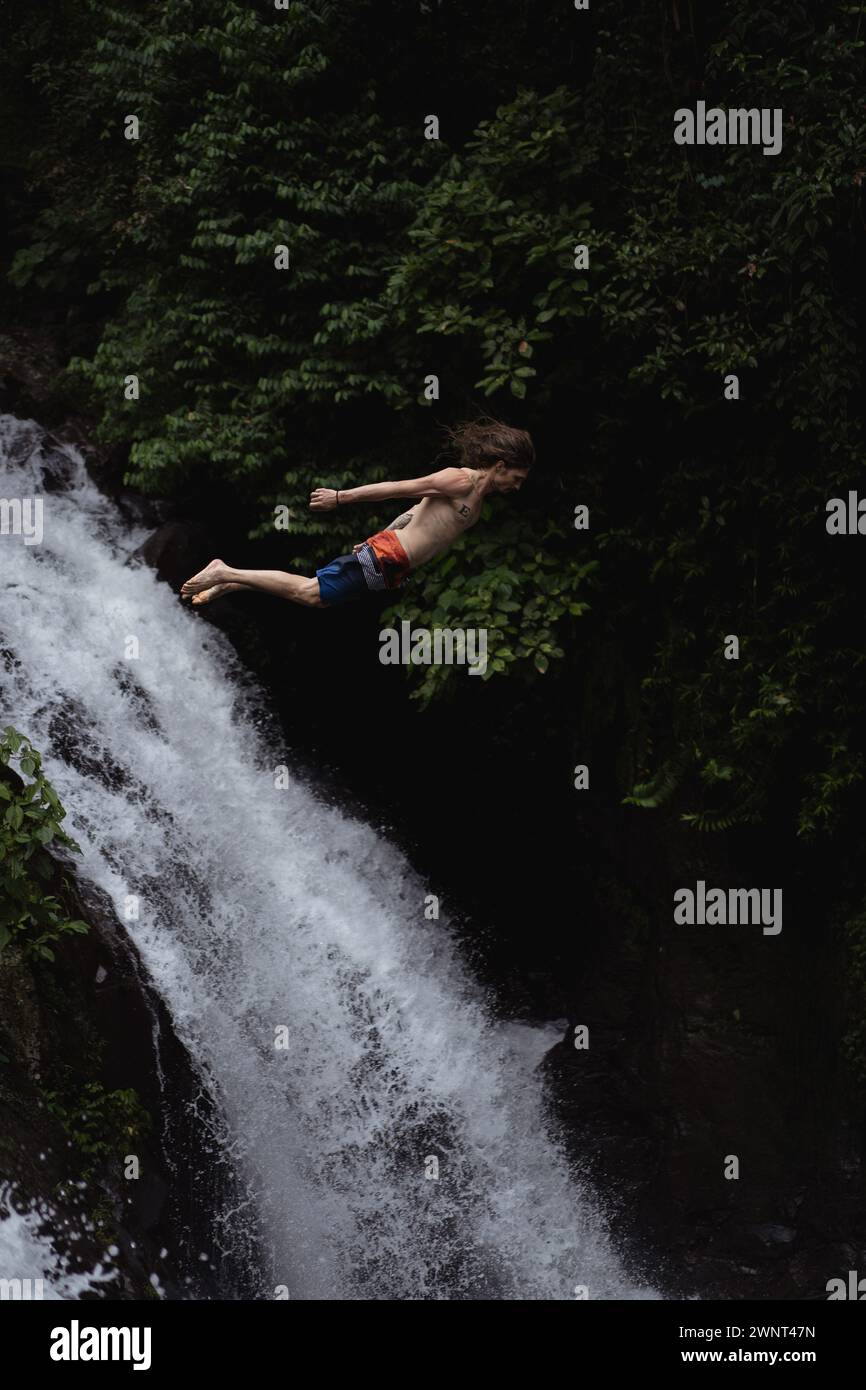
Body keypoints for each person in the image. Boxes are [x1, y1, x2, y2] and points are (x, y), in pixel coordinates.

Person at [180, 417, 534, 608]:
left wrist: (379, 540)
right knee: (310, 593)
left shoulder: (476, 505)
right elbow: (399, 488)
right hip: (389, 557)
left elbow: (413, 514)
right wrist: (339, 497)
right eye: (515, 478)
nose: (516, 487)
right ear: (500, 466)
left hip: (393, 564)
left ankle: (231, 583)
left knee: (314, 597)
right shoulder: (459, 481)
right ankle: (225, 571)